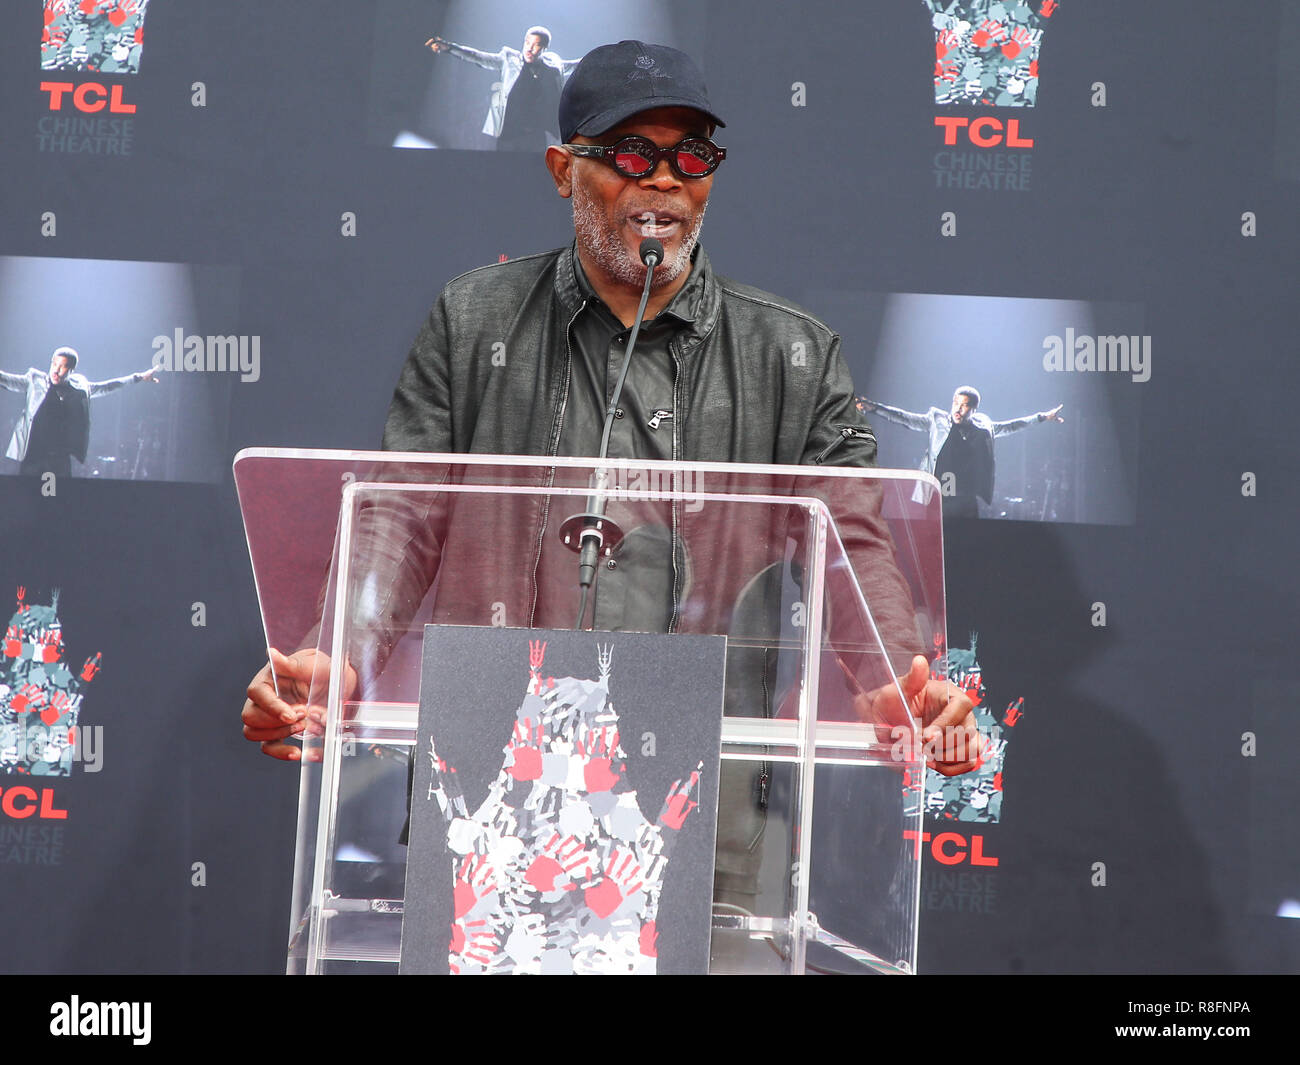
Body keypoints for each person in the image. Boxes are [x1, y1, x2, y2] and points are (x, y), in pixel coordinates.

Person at [242, 42, 981, 911]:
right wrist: (340, 653)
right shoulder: (472, 317)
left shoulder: (793, 352)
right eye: (633, 154)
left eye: (692, 155)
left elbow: (849, 538)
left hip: (701, 798)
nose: (665, 181)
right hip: (493, 780)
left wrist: (894, 680)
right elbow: (400, 510)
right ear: (565, 169)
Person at [858, 387, 1063, 517]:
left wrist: (1042, 417)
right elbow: (905, 418)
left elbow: (1012, 426)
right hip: (936, 492)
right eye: (955, 403)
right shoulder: (937, 420)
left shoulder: (984, 427)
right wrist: (873, 407)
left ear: (974, 409)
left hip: (964, 495)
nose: (957, 409)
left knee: (965, 539)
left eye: (964, 406)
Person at [1, 346, 161, 477]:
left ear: (72, 370)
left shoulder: (80, 388)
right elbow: (7, 380)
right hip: (33, 456)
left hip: (59, 459)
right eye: (54, 365)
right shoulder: (35, 381)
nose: (56, 371)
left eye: (62, 367)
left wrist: (138, 377)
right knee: (28, 499)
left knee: (57, 502)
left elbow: (109, 386)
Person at [425, 26, 580, 151]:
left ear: (545, 48)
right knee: (504, 170)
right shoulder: (508, 60)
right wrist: (450, 48)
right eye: (527, 43)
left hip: (535, 134)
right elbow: (478, 56)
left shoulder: (553, 66)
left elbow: (576, 65)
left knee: (532, 174)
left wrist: (602, 58)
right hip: (509, 131)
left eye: (536, 45)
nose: (530, 49)